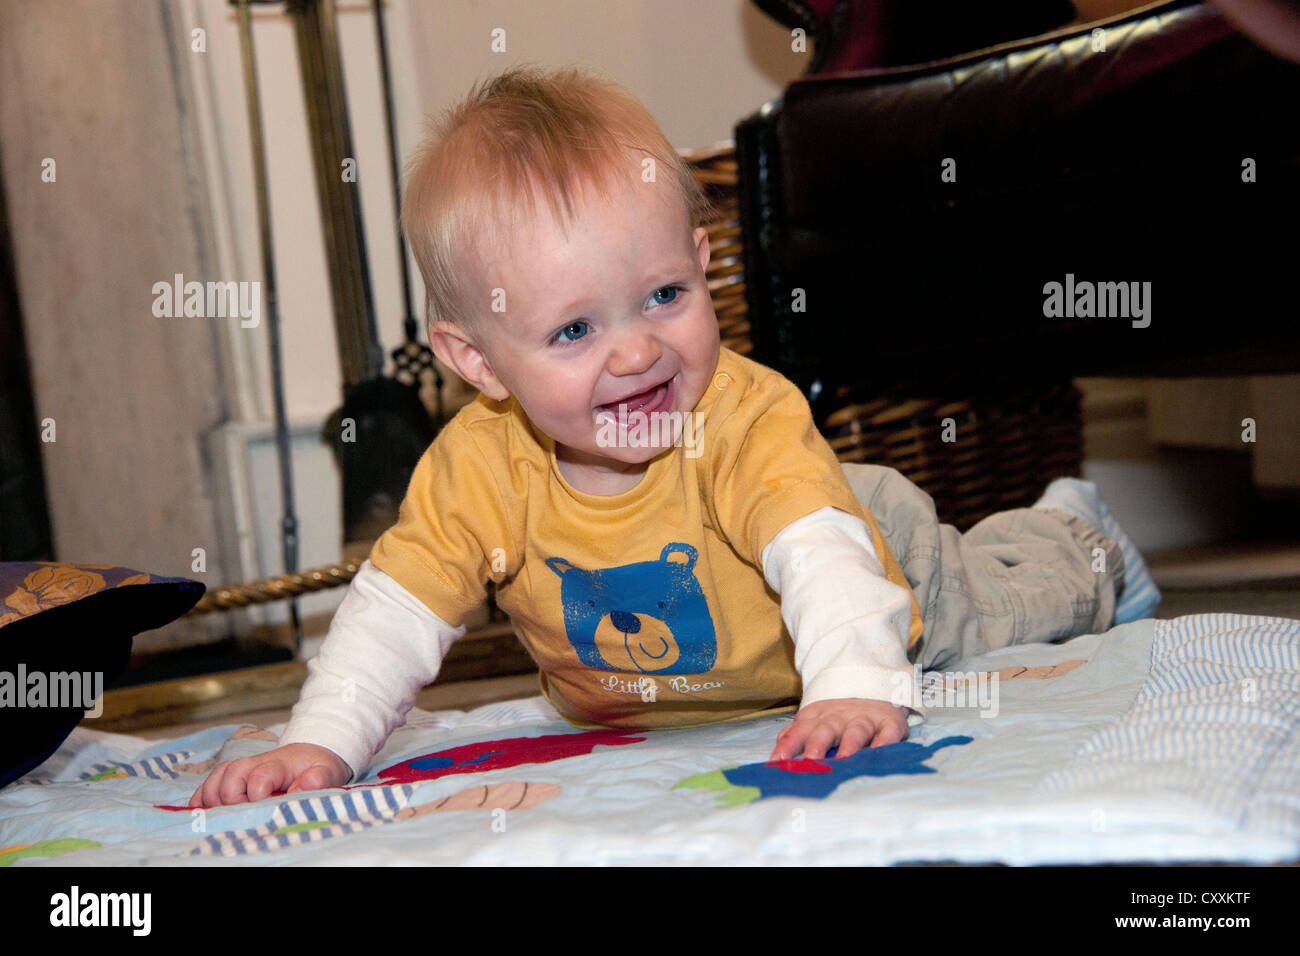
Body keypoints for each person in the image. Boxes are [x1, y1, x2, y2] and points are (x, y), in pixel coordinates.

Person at [190, 65, 1159, 808]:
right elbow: (393, 612)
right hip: (684, 665)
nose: (636, 351)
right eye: (574, 330)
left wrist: (854, 686)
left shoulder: (741, 417)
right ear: (476, 362)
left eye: (664, 295)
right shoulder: (476, 468)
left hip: (861, 552)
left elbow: (819, 555)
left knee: (991, 607)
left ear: (704, 268)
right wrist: (319, 739)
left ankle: (1075, 534)